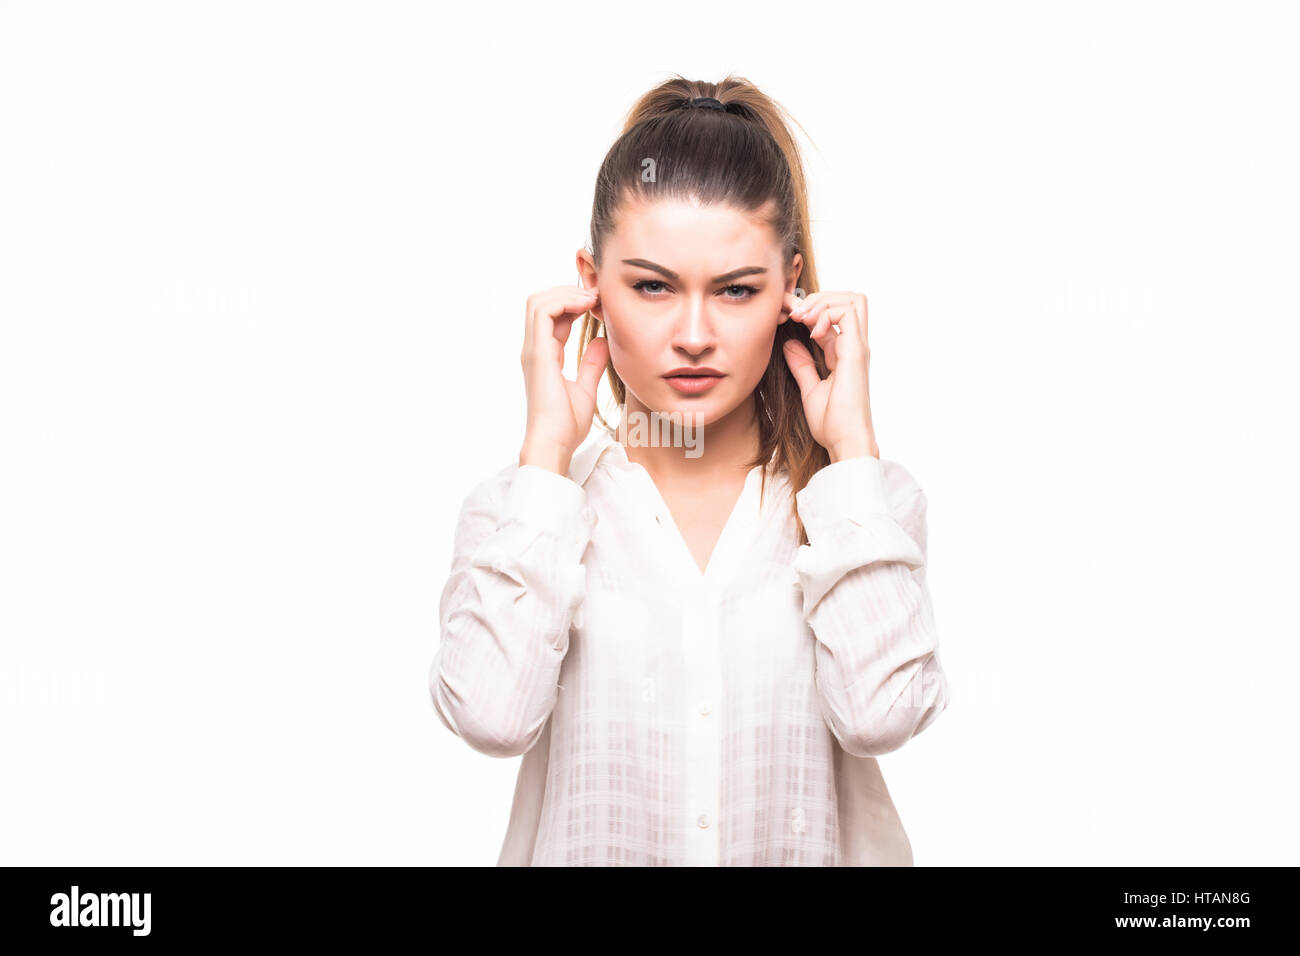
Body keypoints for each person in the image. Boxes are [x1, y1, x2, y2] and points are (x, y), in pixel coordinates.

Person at [429, 74, 951, 866]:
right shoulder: (523, 513)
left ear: (792, 293)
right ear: (591, 287)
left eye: (737, 290)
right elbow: (489, 721)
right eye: (651, 286)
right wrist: (545, 451)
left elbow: (882, 718)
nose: (695, 334)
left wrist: (851, 449)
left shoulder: (861, 506)